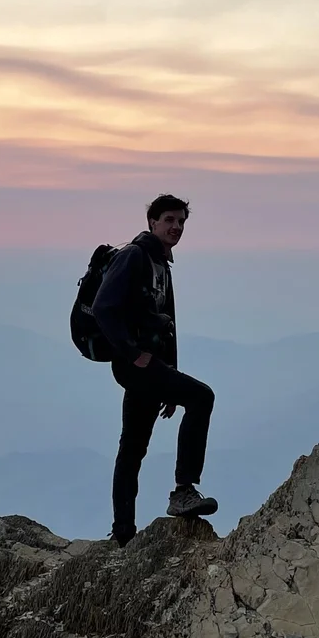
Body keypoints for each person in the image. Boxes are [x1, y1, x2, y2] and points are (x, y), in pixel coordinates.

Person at [91, 194, 217, 545]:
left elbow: (167, 324)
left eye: (182, 222)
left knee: (132, 448)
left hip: (150, 365)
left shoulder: (161, 264)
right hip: (135, 365)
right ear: (152, 222)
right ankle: (183, 490)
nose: (176, 227)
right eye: (169, 220)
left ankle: (122, 534)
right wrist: (133, 354)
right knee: (202, 397)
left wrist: (170, 374)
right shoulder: (134, 256)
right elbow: (103, 308)